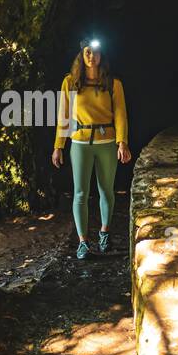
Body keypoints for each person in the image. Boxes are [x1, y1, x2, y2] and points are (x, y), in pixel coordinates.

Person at [51, 37, 131, 259]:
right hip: (80, 143)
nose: (91, 56)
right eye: (87, 51)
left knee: (106, 190)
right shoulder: (70, 82)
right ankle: (83, 242)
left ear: (101, 55)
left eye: (95, 52)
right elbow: (64, 117)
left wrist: (122, 142)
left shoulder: (113, 84)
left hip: (106, 142)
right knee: (80, 193)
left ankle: (104, 233)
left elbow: (121, 114)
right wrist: (59, 146)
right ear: (81, 54)